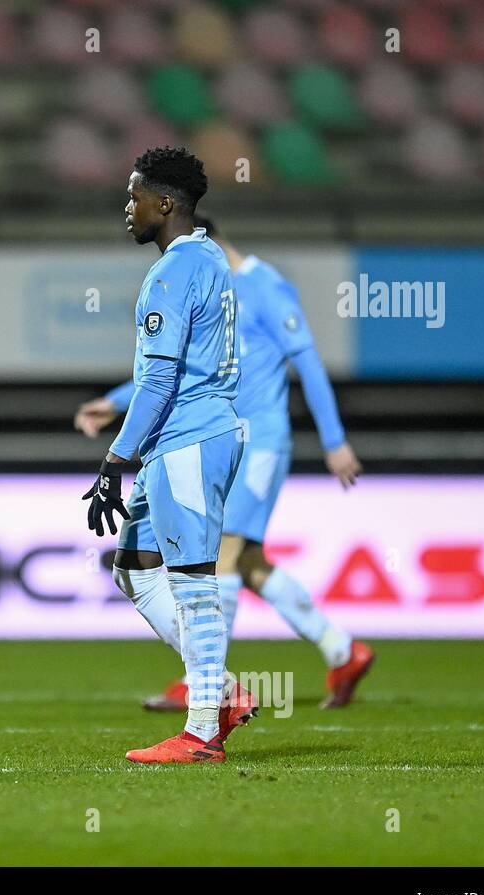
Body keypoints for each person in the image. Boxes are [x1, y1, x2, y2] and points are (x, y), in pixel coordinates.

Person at [76, 216, 373, 711]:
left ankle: (207, 687)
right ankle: (342, 650)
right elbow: (184, 370)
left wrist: (335, 441)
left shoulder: (263, 285)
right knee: (250, 563)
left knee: (225, 558)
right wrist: (116, 400)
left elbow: (309, 361)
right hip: (228, 438)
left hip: (260, 444)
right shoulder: (218, 289)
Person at [82, 147, 254, 764]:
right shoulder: (207, 257)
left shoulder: (175, 271)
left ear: (166, 203)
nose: (127, 209)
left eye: (134, 197)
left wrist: (114, 460)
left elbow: (160, 380)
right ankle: (224, 692)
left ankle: (203, 732)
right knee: (132, 567)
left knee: (192, 582)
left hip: (188, 438)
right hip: (187, 439)